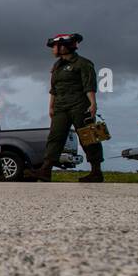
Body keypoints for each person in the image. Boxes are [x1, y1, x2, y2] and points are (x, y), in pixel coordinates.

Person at [31, 33, 104, 183]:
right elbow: (54, 89)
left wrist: (93, 104)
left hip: (80, 105)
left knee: (89, 137)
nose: (53, 50)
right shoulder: (57, 66)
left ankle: (96, 171)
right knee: (55, 137)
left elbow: (89, 85)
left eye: (54, 47)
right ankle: (46, 170)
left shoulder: (83, 63)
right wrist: (51, 106)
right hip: (60, 107)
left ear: (64, 46)